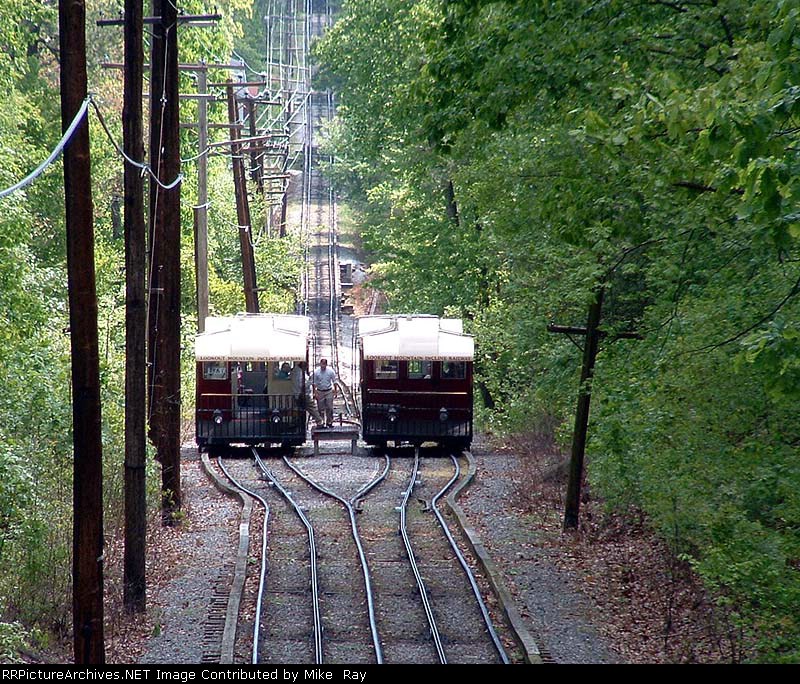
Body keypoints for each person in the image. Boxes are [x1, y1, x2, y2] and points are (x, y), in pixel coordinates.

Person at [292, 361, 323, 427]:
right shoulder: (300, 373)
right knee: (312, 407)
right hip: (303, 394)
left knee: (300, 409)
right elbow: (302, 385)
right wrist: (311, 382)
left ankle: (298, 423)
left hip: (297, 394)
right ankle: (319, 421)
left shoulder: (296, 371)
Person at [312, 358, 338, 428]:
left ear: (326, 364)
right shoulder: (316, 372)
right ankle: (321, 422)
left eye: (324, 364)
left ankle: (329, 421)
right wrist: (315, 392)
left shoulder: (331, 371)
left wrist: (335, 391)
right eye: (322, 364)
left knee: (330, 407)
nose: (323, 366)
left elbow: (334, 381)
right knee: (320, 408)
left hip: (328, 390)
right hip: (320, 391)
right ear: (320, 364)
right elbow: (314, 383)